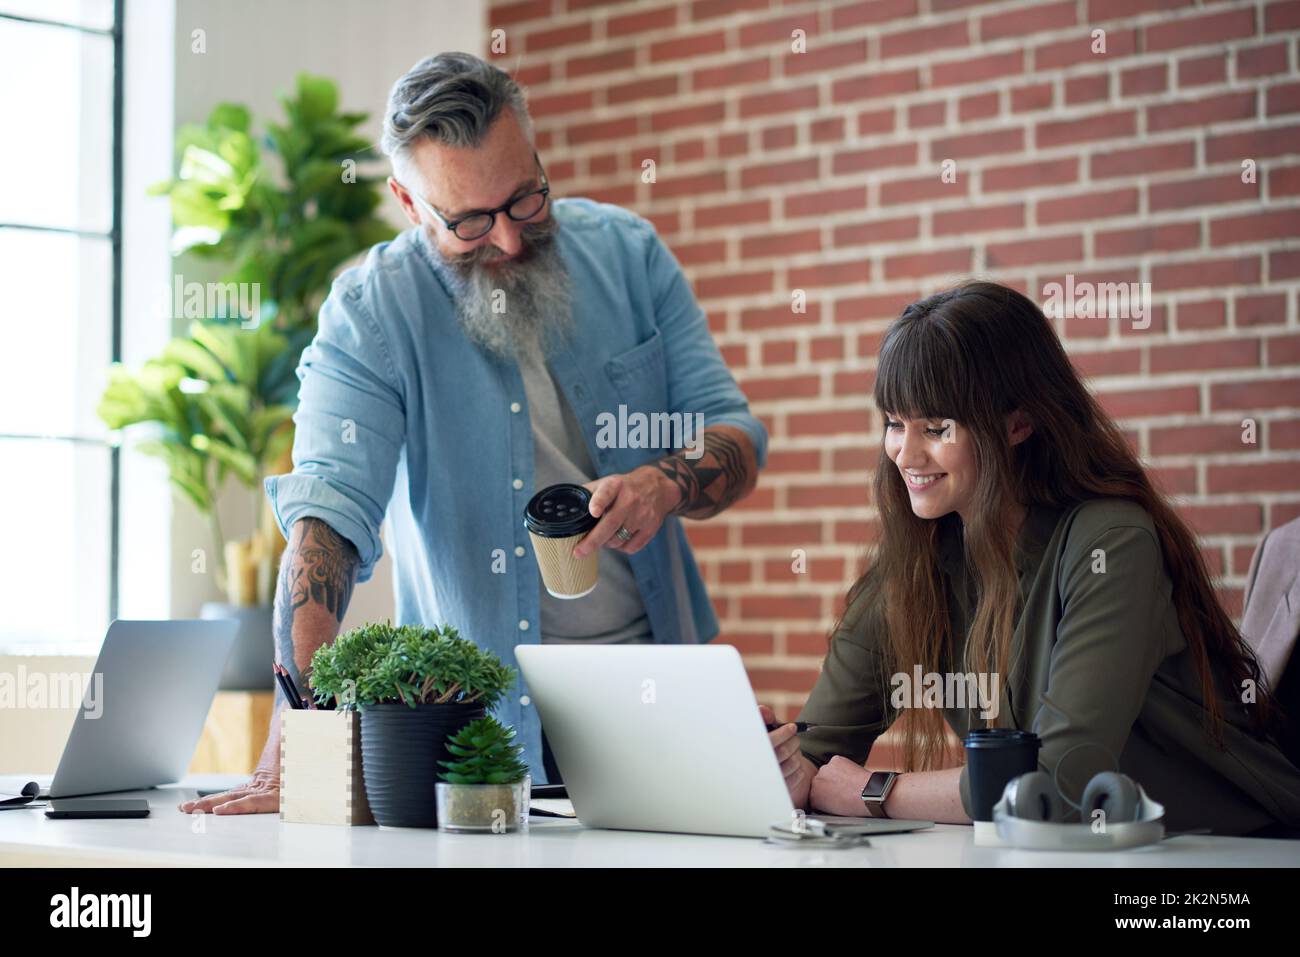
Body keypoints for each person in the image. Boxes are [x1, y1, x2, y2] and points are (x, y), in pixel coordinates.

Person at [181, 52, 765, 815]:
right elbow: (327, 521)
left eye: (526, 199)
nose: (512, 241)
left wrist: (666, 481)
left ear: (536, 153)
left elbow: (736, 438)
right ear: (406, 201)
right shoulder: (371, 313)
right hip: (474, 727)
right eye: (470, 222)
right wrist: (304, 723)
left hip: (660, 691)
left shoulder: (629, 254)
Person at [764, 280, 1300, 836]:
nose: (907, 453)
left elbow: (1058, 783)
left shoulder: (1111, 543)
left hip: (1234, 850)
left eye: (937, 427)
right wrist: (771, 757)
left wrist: (876, 790)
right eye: (895, 424)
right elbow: (819, 756)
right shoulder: (918, 557)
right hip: (1078, 853)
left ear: (1018, 423)